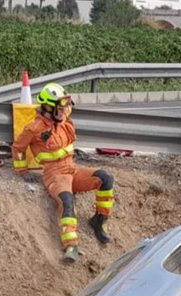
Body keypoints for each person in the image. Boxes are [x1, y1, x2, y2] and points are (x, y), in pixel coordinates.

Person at [11, 83, 115, 264]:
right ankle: (70, 245)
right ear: (47, 107)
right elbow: (18, 148)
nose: (63, 111)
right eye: (59, 108)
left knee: (105, 179)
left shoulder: (64, 119)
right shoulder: (33, 129)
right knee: (67, 201)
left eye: (64, 107)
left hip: (72, 169)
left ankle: (99, 220)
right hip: (54, 174)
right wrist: (22, 170)